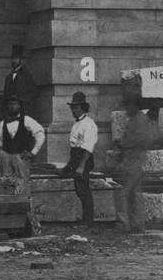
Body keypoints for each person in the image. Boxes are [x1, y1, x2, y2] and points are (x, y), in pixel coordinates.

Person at [109, 93, 154, 233]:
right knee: (134, 193)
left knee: (124, 192)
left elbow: (142, 140)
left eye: (128, 105)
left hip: (134, 160)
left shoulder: (140, 119)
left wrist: (122, 144)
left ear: (134, 105)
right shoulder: (135, 119)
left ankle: (124, 223)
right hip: (132, 159)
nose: (126, 109)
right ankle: (137, 224)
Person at [0, 98, 45, 195]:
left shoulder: (27, 120)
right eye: (10, 104)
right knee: (6, 183)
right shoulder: (2, 123)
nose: (12, 106)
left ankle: (23, 205)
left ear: (19, 106)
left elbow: (40, 134)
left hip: (20, 157)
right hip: (5, 157)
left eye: (15, 104)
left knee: (22, 183)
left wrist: (33, 152)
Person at [62, 91, 99, 225]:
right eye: (72, 108)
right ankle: (85, 219)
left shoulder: (89, 124)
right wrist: (70, 164)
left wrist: (82, 165)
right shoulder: (77, 123)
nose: (73, 110)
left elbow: (88, 146)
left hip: (84, 157)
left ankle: (88, 221)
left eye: (76, 108)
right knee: (79, 190)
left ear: (83, 108)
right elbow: (74, 145)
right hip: (75, 156)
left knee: (84, 190)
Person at [2, 47, 39, 117]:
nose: (14, 61)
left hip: (24, 110)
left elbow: (34, 92)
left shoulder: (27, 75)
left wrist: (21, 99)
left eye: (16, 59)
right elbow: (5, 96)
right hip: (11, 111)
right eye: (12, 58)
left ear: (21, 60)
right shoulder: (8, 77)